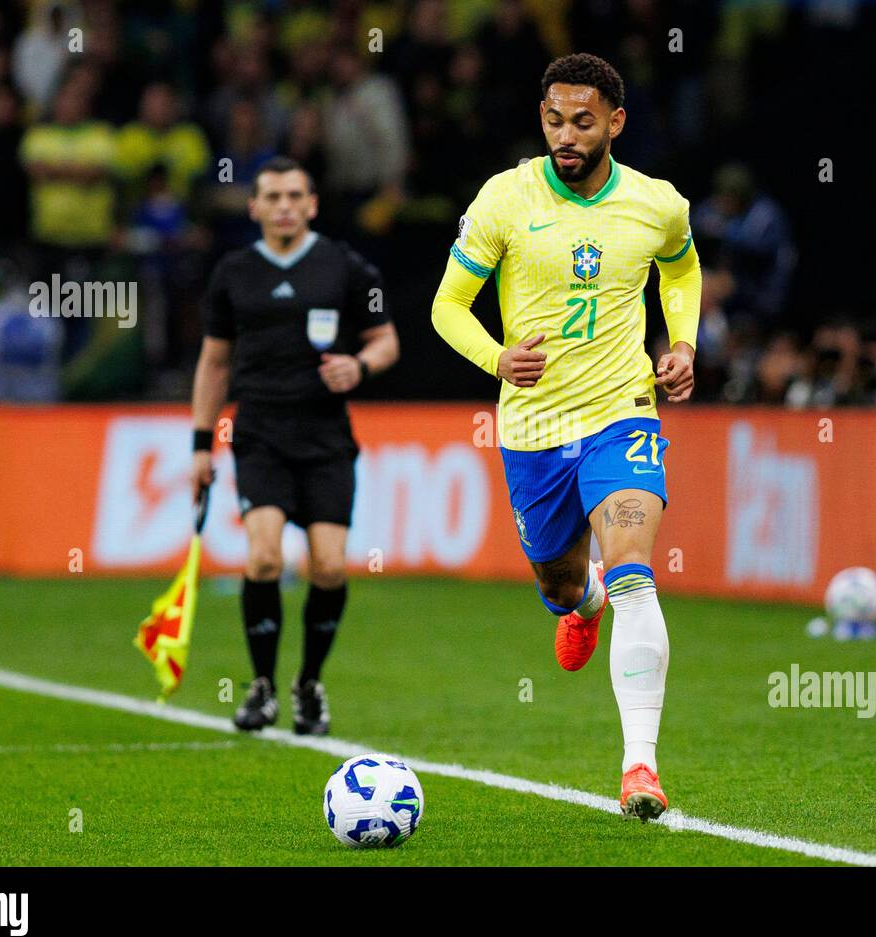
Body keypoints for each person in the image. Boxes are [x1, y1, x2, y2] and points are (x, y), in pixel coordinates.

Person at [430, 53, 701, 820]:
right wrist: (495, 355)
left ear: (615, 122)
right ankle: (576, 602)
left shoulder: (658, 204)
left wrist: (680, 342)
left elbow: (681, 272)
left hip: (623, 409)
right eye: (554, 120)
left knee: (634, 573)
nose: (565, 135)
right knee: (560, 582)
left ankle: (638, 768)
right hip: (535, 425)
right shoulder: (504, 199)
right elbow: (447, 306)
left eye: (582, 121)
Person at [190, 157, 400, 735]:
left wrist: (359, 365)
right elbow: (213, 363)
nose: (283, 206)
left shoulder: (346, 267)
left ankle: (308, 683)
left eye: (294, 196)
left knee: (328, 566)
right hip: (258, 433)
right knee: (263, 557)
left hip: (326, 437)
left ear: (312, 204)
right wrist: (201, 444)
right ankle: (261, 687)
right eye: (271, 196)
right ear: (253, 207)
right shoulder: (232, 272)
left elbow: (386, 341)